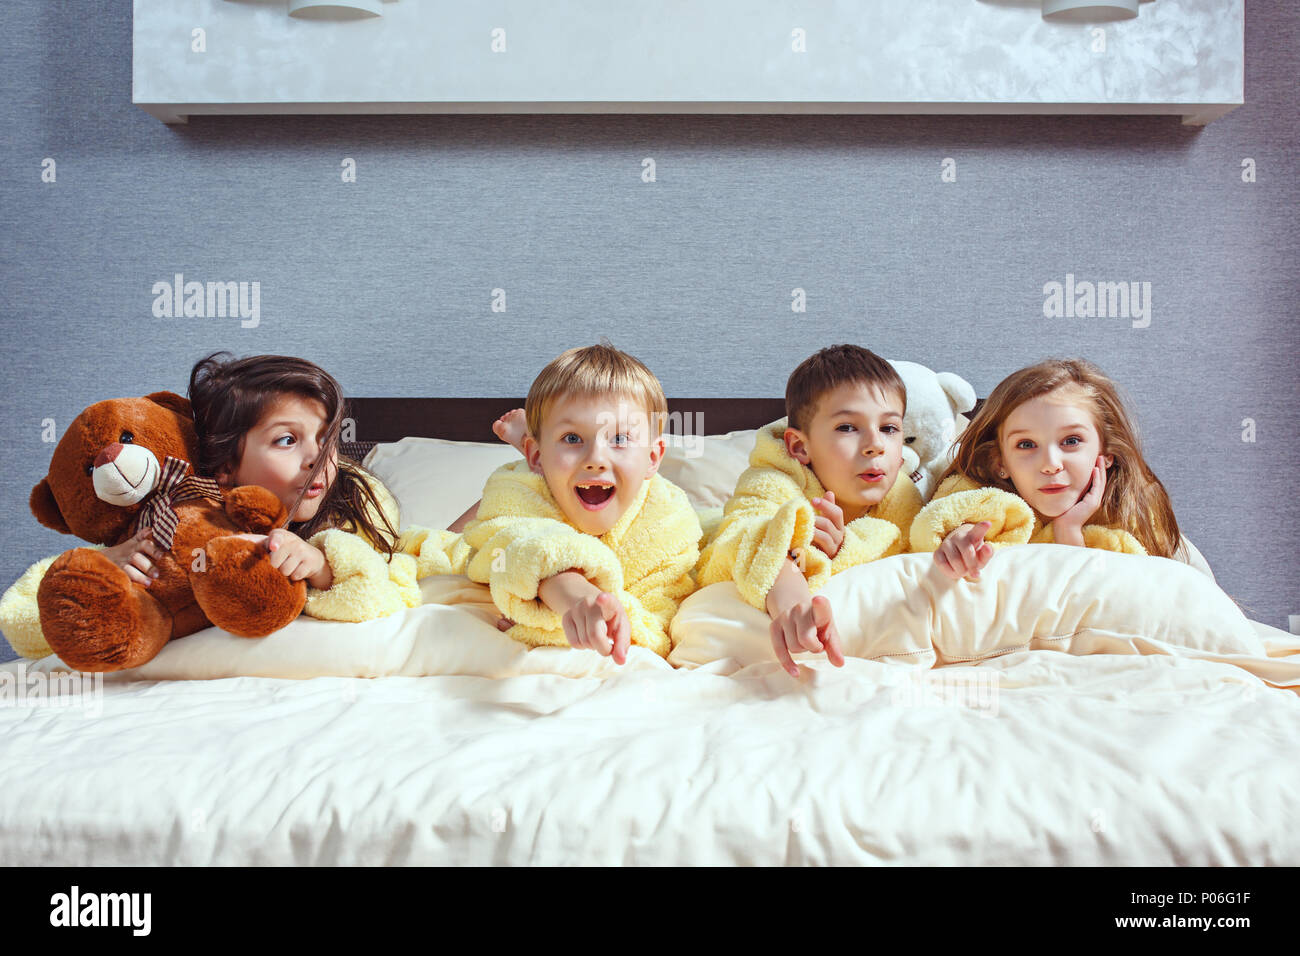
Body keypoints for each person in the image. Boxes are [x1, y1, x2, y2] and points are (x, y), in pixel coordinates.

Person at [696, 345, 922, 677]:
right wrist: (794, 602)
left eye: (889, 428)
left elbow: (914, 552)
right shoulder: (773, 480)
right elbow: (747, 537)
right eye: (847, 427)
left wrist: (845, 548)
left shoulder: (902, 495)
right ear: (800, 447)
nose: (876, 444)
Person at [910, 357, 1180, 582]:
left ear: (1105, 454)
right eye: (1026, 444)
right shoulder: (980, 503)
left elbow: (1116, 602)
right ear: (999, 462)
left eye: (1071, 441)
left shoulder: (1133, 514)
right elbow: (939, 524)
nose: (1051, 464)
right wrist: (956, 540)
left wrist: (1068, 531)